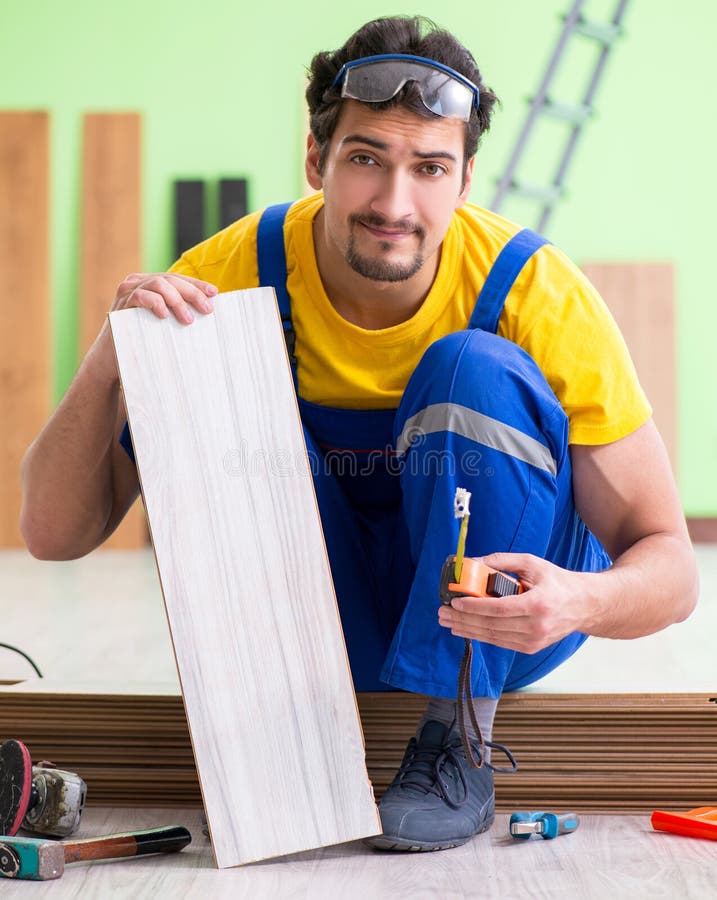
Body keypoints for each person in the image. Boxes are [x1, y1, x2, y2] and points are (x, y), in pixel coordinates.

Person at [20, 15, 697, 852]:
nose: (393, 203)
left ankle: (456, 739)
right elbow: (52, 537)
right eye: (366, 158)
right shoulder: (226, 275)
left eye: (429, 168)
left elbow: (669, 565)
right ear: (317, 160)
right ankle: (282, 735)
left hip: (493, 632)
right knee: (214, 363)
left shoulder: (534, 290)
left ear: (463, 179)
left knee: (471, 370)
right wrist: (109, 355)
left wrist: (578, 602)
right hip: (330, 625)